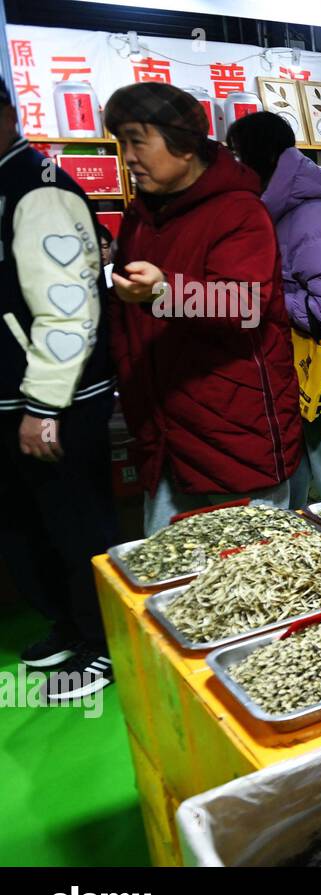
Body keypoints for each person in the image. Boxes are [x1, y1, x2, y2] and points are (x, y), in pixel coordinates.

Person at [104, 83, 301, 535]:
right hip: (164, 431)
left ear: (184, 142)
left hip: (235, 430)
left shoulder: (239, 212)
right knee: (167, 583)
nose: (129, 156)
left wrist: (164, 292)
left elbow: (245, 304)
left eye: (138, 140)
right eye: (122, 142)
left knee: (258, 578)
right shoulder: (141, 214)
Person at [0, 82, 118, 699]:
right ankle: (71, 625)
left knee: (78, 523)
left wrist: (42, 404)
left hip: (56, 399)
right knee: (35, 520)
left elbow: (69, 310)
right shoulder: (11, 180)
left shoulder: (37, 187)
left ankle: (104, 646)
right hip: (21, 394)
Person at [227, 110, 321, 506]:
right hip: (297, 369)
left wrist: (268, 296)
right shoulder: (274, 210)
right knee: (310, 487)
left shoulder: (308, 213)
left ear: (261, 157)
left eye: (238, 155)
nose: (233, 165)